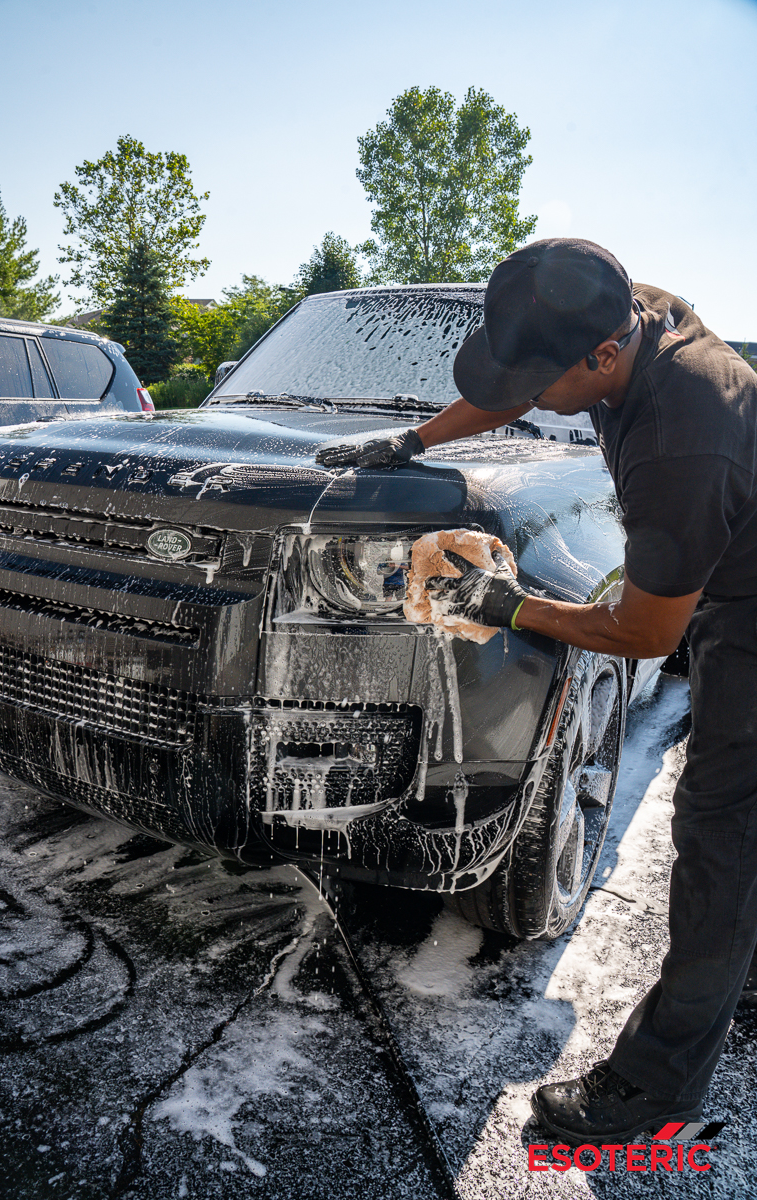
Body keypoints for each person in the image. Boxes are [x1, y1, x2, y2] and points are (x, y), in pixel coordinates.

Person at [317, 238, 757, 1145]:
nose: (525, 396)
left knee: (722, 838)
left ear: (604, 356)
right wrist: (415, 438)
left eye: (540, 378)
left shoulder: (684, 431)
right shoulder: (617, 311)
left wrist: (515, 608)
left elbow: (644, 635)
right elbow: (512, 384)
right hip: (724, 568)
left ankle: (657, 1091)